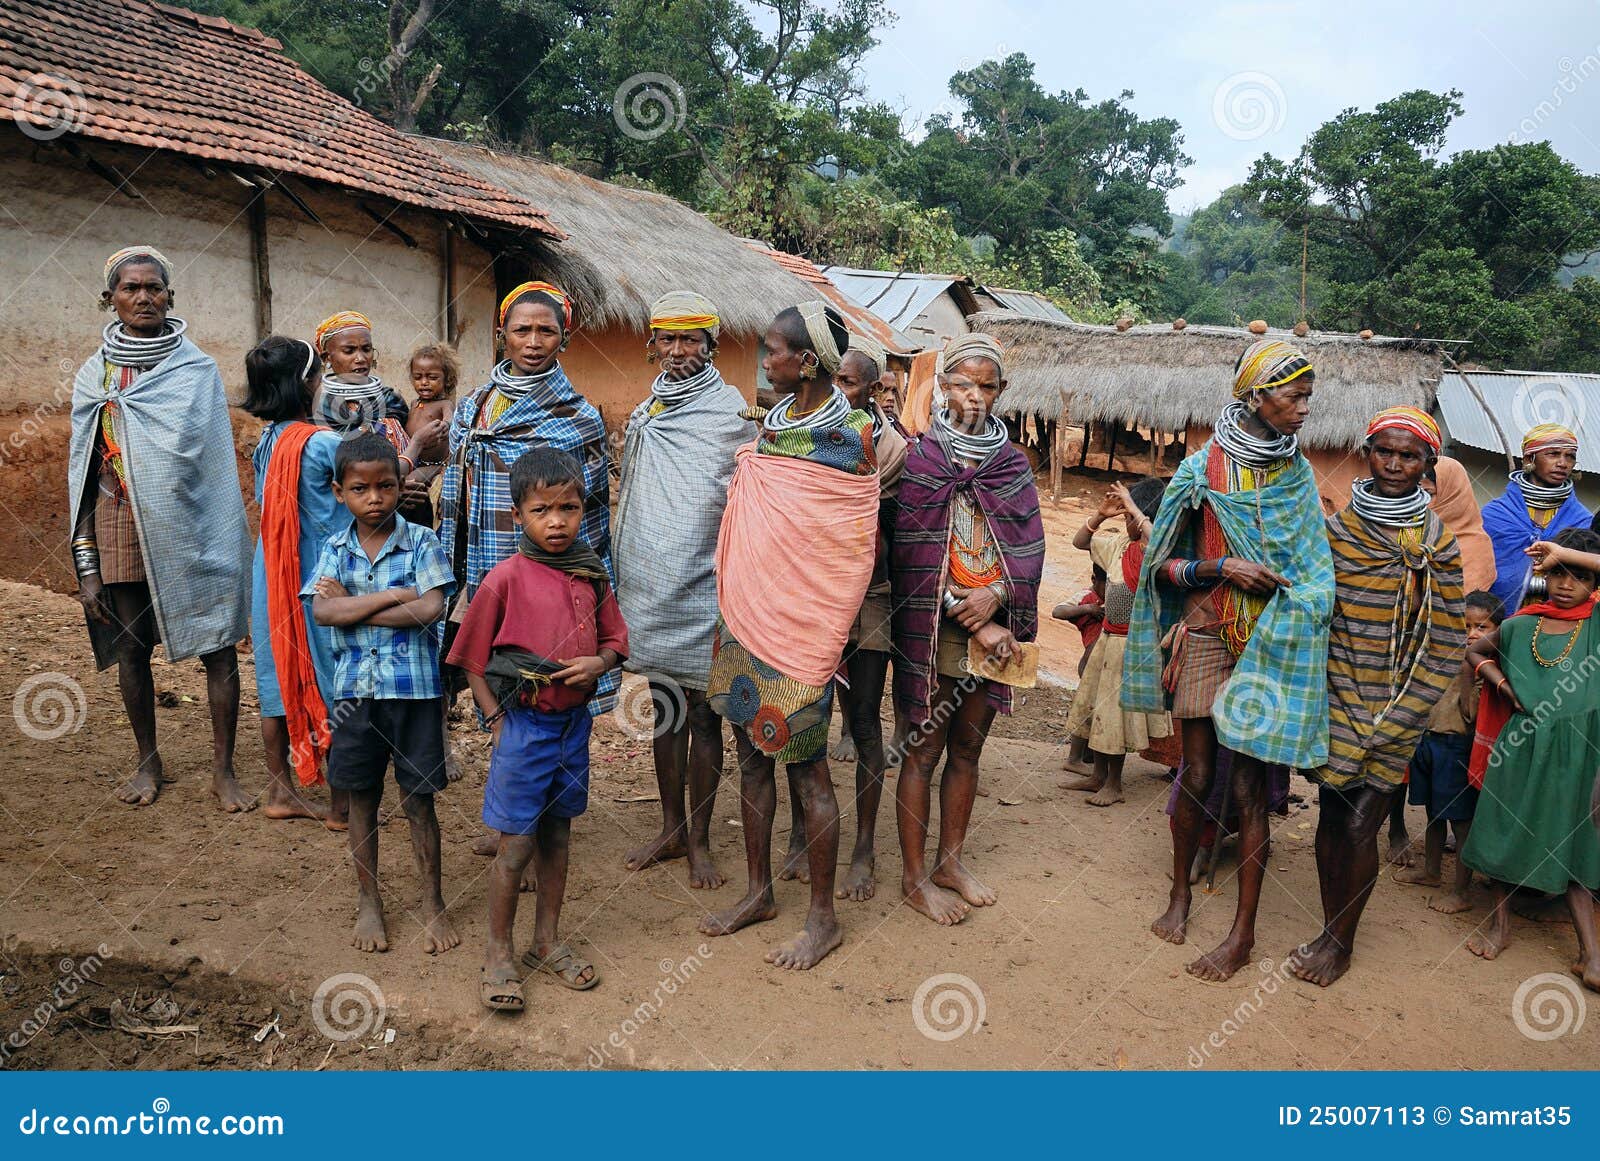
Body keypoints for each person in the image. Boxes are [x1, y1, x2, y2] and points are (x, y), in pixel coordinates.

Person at [1123, 338, 1334, 981]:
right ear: (1256, 395)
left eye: (1308, 397)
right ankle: (1179, 894)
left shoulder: (1296, 476)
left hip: (1270, 643)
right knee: (1196, 771)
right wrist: (1221, 567)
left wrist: (1295, 602)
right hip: (1207, 631)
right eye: (1294, 396)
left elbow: (1314, 573)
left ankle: (1242, 934)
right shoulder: (1201, 472)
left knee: (1249, 789)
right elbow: (1161, 568)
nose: (1304, 408)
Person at [701, 302, 879, 969]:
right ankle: (759, 893)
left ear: (806, 362)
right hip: (747, 616)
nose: (764, 359)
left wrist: (816, 619)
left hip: (801, 628)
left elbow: (848, 546)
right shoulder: (773, 425)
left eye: (773, 349)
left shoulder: (851, 435)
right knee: (750, 757)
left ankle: (823, 919)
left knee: (807, 772)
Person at [68, 246, 252, 810]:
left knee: (218, 647)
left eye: (154, 287)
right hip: (118, 516)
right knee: (131, 646)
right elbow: (84, 474)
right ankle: (148, 762)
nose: (144, 297)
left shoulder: (195, 370)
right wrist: (87, 567)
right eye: (131, 288)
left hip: (195, 522)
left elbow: (214, 469)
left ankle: (223, 770)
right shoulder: (96, 376)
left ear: (171, 297)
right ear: (111, 299)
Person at [1289, 407, 1466, 987]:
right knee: (1331, 817)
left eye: (1408, 456)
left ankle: (1342, 943)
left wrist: (1408, 710)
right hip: (1337, 697)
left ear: (1428, 465)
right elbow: (1314, 611)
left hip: (1400, 706)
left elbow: (1447, 639)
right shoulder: (1335, 533)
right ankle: (1329, 928)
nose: (1394, 464)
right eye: (1384, 452)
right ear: (1367, 454)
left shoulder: (1436, 543)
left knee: (1362, 826)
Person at [439, 281, 618, 850]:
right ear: (502, 336)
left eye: (546, 331)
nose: (534, 341)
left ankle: (537, 820)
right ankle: (511, 818)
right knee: (500, 688)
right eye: (522, 330)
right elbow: (458, 492)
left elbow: (592, 511)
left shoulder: (579, 417)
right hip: (489, 570)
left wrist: (585, 584)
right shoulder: (474, 407)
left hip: (554, 579)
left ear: (564, 338)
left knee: (546, 690)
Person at [448, 449, 629, 1010]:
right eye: (541, 510)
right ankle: (498, 952)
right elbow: (471, 659)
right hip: (524, 727)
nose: (556, 522)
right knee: (517, 844)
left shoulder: (590, 574)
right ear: (517, 515)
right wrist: (497, 720)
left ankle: (545, 941)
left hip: (573, 727)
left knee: (558, 835)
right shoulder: (504, 579)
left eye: (568, 509)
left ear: (583, 510)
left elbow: (616, 640)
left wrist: (599, 663)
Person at [891, 333, 1045, 925]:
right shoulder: (922, 458)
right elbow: (908, 555)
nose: (973, 396)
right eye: (962, 383)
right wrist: (968, 611)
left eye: (986, 385)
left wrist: (998, 596)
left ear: (1002, 390)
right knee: (924, 748)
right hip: (936, 625)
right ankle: (913, 877)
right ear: (942, 386)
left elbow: (1029, 547)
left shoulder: (1011, 465)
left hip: (996, 618)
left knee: (968, 748)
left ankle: (949, 862)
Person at [613, 292, 750, 889]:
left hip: (706, 585)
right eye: (667, 339)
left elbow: (739, 499)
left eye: (689, 339)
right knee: (664, 708)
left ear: (710, 344)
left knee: (703, 715)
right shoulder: (648, 412)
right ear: (653, 345)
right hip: (654, 586)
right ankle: (671, 828)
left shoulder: (731, 413)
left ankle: (699, 840)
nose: (677, 350)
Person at [306, 433, 457, 955]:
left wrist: (357, 604)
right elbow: (323, 612)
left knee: (419, 801)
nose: (375, 498)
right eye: (360, 489)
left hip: (414, 696)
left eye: (386, 486)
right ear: (339, 492)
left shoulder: (422, 541)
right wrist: (397, 594)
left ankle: (432, 902)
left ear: (400, 484)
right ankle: (369, 901)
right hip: (355, 697)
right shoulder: (334, 547)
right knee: (362, 799)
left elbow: (431, 608)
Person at [1462, 529, 1600, 990]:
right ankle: (1500, 927)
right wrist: (1503, 686)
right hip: (1521, 745)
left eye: (1580, 576)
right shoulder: (1522, 624)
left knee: (1576, 843)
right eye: (1558, 573)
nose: (1566, 584)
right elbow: (1474, 650)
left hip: (1580, 753)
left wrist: (1563, 552)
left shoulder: (1596, 621)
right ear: (1544, 576)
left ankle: (1591, 955)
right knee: (1505, 830)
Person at [243, 335, 349, 828]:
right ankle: (342, 803)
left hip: (271, 577)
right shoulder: (324, 444)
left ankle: (281, 790)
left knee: (275, 676)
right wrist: (412, 452)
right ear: (307, 383)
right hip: (318, 579)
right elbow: (372, 482)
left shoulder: (266, 442)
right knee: (334, 676)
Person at [829, 333, 909, 901]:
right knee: (805, 716)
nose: (838, 390)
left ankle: (863, 847)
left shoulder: (894, 451)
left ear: (875, 389)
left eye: (848, 382)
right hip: (817, 595)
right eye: (833, 379)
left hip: (872, 595)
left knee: (863, 721)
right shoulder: (806, 435)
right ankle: (803, 837)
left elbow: (894, 532)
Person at [1060, 479, 1172, 807]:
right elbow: (1080, 541)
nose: (1127, 522)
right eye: (1124, 517)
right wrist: (1100, 515)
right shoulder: (1120, 544)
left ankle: (1114, 784)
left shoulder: (1155, 549)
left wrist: (1136, 511)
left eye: (1130, 518)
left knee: (1116, 716)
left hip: (1132, 645)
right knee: (1097, 707)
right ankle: (1098, 776)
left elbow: (1157, 540)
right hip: (1109, 638)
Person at [1393, 590, 1504, 913]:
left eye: (1482, 627)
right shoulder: (1443, 655)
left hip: (1457, 748)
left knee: (1460, 822)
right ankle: (1431, 872)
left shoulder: (1488, 668)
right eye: (1465, 625)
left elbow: (1471, 715)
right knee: (1434, 812)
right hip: (1429, 742)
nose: (1472, 634)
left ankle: (1461, 892)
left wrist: (1469, 669)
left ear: (1497, 631)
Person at [1481, 424, 1591, 614]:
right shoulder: (1494, 514)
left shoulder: (1583, 521)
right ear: (1529, 458)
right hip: (1495, 618)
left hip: (1561, 620)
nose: (1563, 463)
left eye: (1570, 456)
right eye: (1553, 454)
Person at [400, 341, 459, 527]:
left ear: (447, 380)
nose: (424, 382)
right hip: (415, 460)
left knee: (409, 481)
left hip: (435, 465)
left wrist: (445, 426)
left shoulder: (444, 404)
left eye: (432, 377)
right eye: (418, 377)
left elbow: (450, 420)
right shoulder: (413, 404)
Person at [1054, 565, 1105, 775]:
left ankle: (1088, 753)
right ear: (1094, 580)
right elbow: (1058, 611)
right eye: (1108, 584)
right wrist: (1088, 609)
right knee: (1087, 708)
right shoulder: (1088, 597)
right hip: (1091, 664)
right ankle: (1073, 759)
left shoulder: (1118, 595)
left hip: (1108, 665)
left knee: (1101, 710)